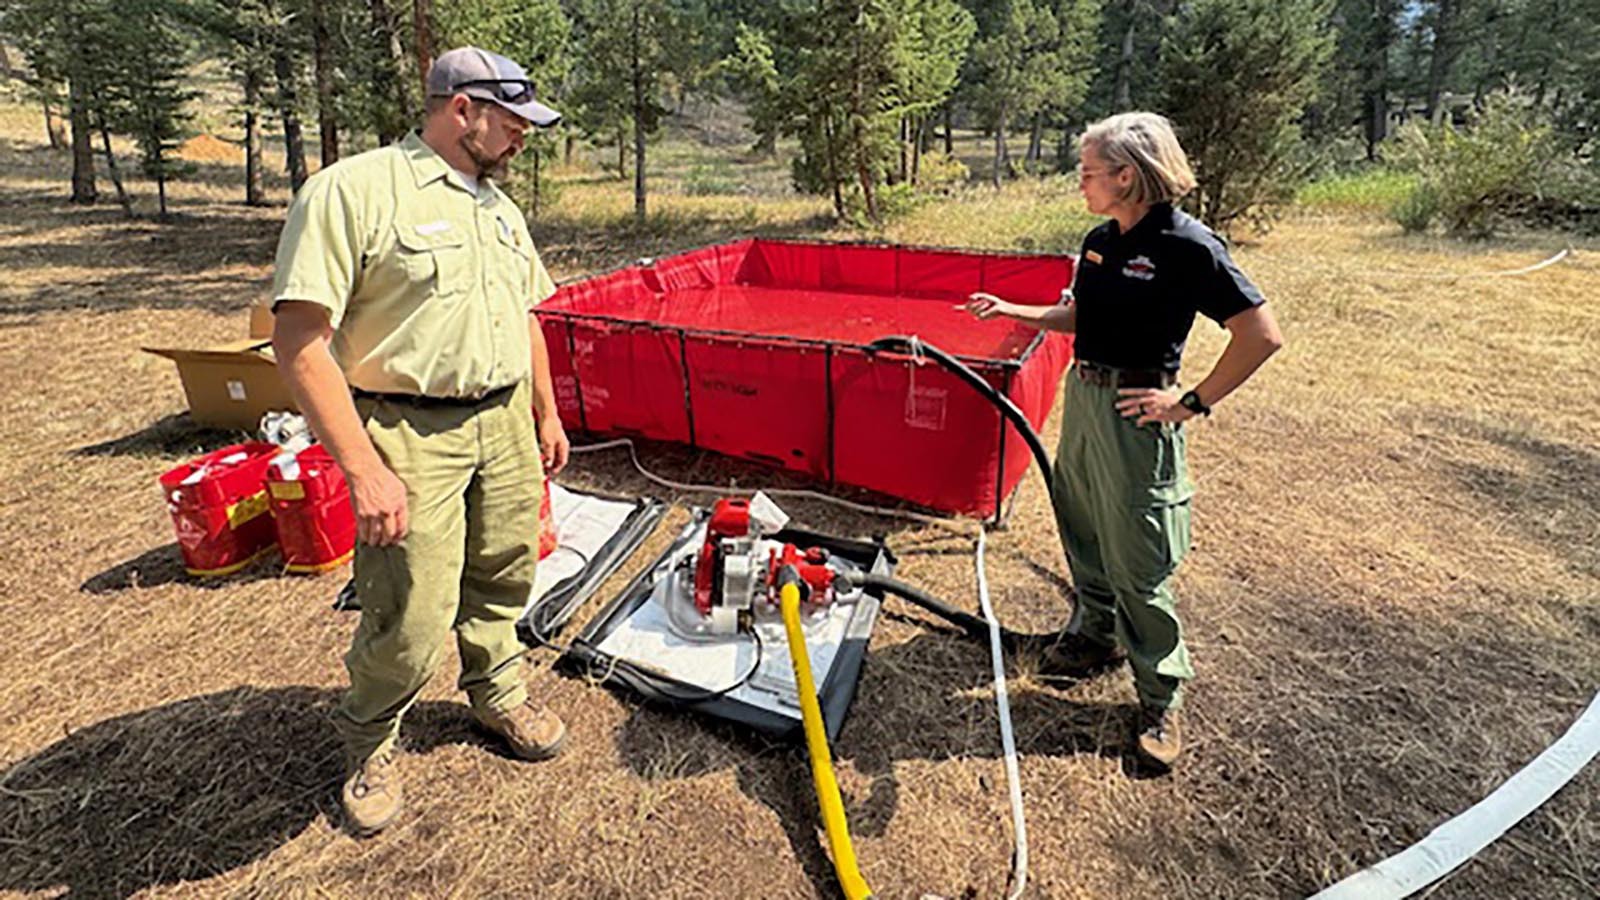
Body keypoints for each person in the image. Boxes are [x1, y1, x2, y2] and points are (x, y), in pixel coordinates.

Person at [270, 46, 571, 835]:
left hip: (503, 422)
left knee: (505, 571)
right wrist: (364, 469)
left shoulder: (499, 208)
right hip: (408, 428)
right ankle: (369, 740)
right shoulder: (352, 191)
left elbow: (527, 314)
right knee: (409, 614)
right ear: (460, 108)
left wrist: (545, 411)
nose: (521, 140)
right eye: (511, 124)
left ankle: (498, 691)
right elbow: (300, 342)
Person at [966, 112, 1283, 771]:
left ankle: (1160, 693)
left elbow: (1260, 335)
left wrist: (1191, 402)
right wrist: (1012, 309)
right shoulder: (1100, 241)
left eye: (1087, 173)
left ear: (1126, 175)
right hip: (1085, 399)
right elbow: (1084, 314)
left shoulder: (1189, 246)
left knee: (1140, 550)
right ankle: (1095, 633)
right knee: (1081, 520)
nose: (1080, 184)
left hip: (1140, 409)